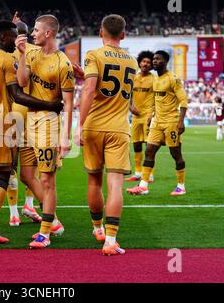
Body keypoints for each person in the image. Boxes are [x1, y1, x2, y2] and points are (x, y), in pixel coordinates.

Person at [0, 20, 63, 246]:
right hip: (4, 119)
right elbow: (18, 94)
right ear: (4, 37)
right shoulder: (9, 59)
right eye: (15, 36)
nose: (18, 39)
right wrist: (50, 105)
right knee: (4, 174)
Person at [73, 14, 138, 256]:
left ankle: (98, 228)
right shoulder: (131, 62)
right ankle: (110, 241)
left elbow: (91, 88)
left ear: (101, 32)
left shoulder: (94, 55)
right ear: (123, 34)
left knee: (94, 181)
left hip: (93, 126)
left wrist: (78, 125)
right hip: (119, 129)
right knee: (115, 185)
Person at [16, 14, 75, 249]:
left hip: (49, 125)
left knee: (47, 180)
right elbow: (21, 82)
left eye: (37, 30)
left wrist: (66, 136)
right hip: (28, 122)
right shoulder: (30, 53)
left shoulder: (63, 64)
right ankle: (51, 224)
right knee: (25, 175)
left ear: (48, 33)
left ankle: (45, 232)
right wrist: (21, 54)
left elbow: (69, 104)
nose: (33, 34)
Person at [126, 50, 188, 197]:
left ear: (165, 62)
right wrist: (152, 114)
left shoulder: (173, 78)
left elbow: (183, 101)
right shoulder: (155, 79)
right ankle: (143, 186)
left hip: (171, 122)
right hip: (157, 123)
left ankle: (181, 186)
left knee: (176, 154)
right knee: (149, 151)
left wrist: (181, 121)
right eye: (153, 59)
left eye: (157, 59)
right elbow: (155, 99)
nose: (154, 61)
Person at [9, 13, 43, 227]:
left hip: (11, 112)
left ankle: (13, 214)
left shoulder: (3, 53)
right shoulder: (36, 52)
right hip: (31, 111)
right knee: (33, 163)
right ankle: (29, 204)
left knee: (10, 165)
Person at [125, 51, 155, 183]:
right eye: (143, 61)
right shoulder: (133, 78)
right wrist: (130, 107)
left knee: (150, 147)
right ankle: (138, 173)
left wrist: (153, 114)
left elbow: (157, 98)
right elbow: (127, 95)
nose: (145, 64)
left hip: (148, 116)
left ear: (151, 65)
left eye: (148, 62)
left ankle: (150, 174)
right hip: (136, 117)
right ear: (140, 63)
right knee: (136, 145)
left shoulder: (154, 79)